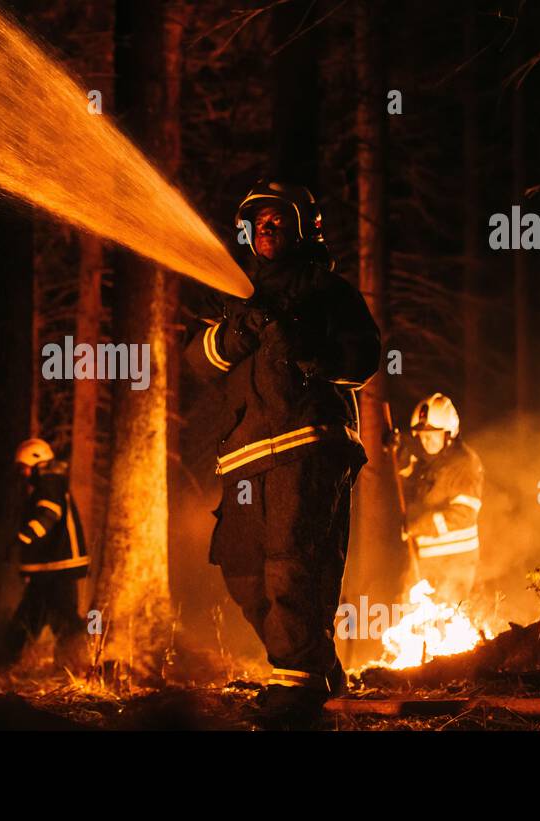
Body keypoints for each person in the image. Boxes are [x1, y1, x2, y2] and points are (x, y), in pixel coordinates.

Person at [185, 180, 381, 727]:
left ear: (302, 226)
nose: (266, 227)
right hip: (245, 457)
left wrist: (314, 355)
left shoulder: (327, 290)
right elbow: (197, 362)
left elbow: (363, 357)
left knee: (294, 565)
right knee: (244, 570)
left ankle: (296, 687)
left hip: (307, 444)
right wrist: (238, 331)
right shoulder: (232, 294)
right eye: (258, 220)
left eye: (277, 218)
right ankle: (314, 668)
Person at [6, 438, 89, 665]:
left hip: (58, 566)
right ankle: (9, 664)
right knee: (33, 618)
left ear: (36, 463)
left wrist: (24, 537)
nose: (23, 473)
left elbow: (49, 515)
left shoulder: (49, 483)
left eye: (24, 467)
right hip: (51, 567)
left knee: (62, 621)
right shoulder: (52, 483)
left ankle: (75, 665)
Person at [397, 393, 484, 604]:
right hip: (426, 562)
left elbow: (463, 515)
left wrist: (417, 526)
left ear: (449, 434)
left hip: (455, 565)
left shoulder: (464, 464)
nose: (425, 440)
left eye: (432, 435)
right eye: (421, 435)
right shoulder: (432, 460)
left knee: (448, 625)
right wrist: (396, 446)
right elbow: (408, 469)